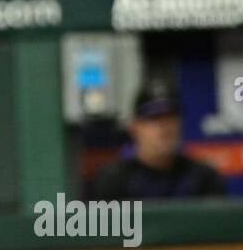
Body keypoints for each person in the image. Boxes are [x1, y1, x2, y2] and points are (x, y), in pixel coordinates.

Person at [87, 81, 226, 199]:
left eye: (171, 118)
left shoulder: (203, 178)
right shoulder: (112, 180)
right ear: (134, 127)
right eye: (154, 119)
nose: (164, 127)